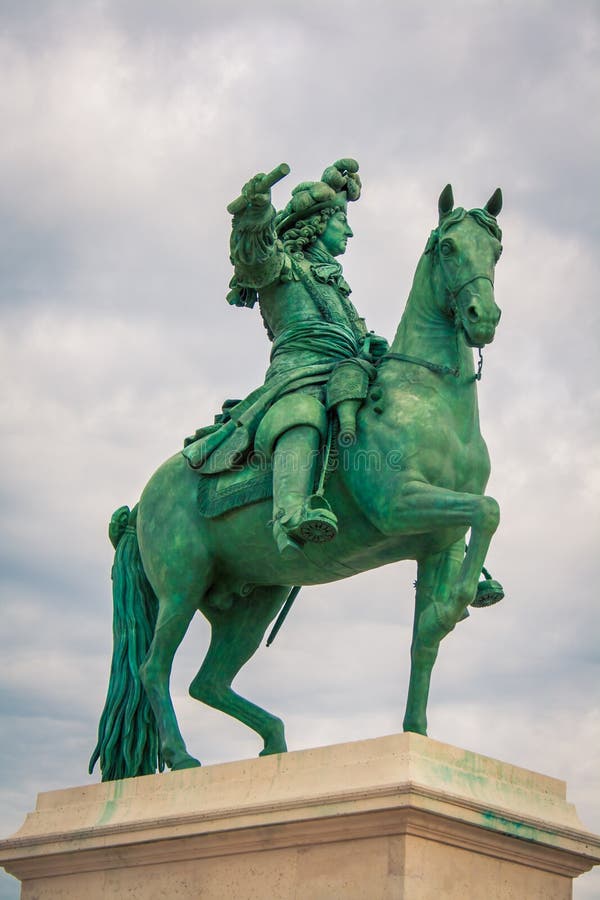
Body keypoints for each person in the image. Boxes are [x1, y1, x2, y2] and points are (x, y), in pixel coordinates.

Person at [183, 159, 388, 555]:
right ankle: (289, 514)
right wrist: (256, 212)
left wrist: (373, 347)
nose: (349, 229)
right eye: (340, 220)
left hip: (346, 372)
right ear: (316, 224)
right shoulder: (284, 267)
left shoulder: (335, 287)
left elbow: (356, 337)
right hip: (299, 375)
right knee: (303, 411)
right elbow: (254, 258)